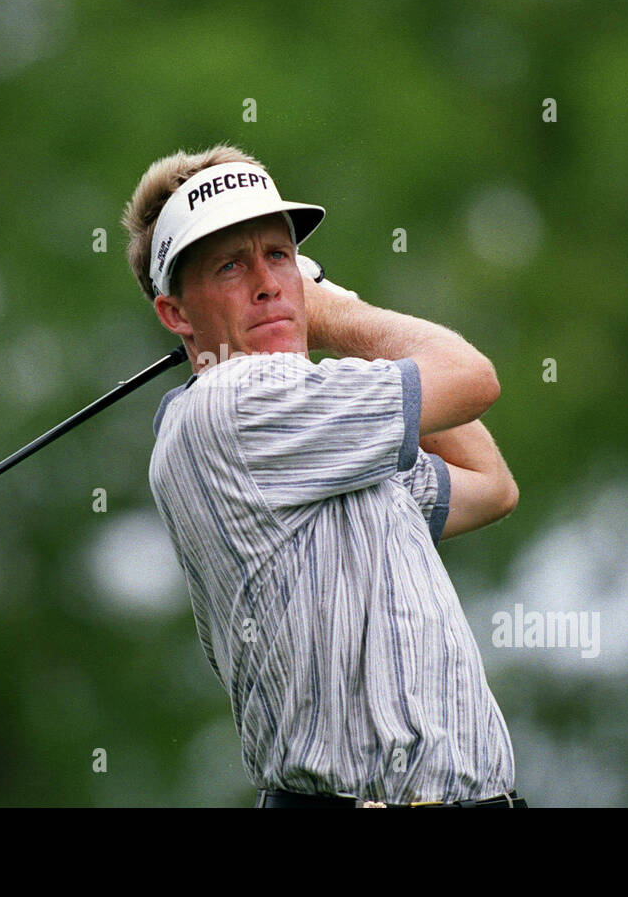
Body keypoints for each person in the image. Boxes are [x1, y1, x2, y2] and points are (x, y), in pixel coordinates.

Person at [120, 144, 526, 808]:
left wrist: (312, 319)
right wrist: (334, 313)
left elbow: (491, 482)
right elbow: (473, 377)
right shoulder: (237, 403)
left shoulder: (320, 437)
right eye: (230, 265)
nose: (267, 283)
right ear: (177, 314)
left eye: (278, 256)